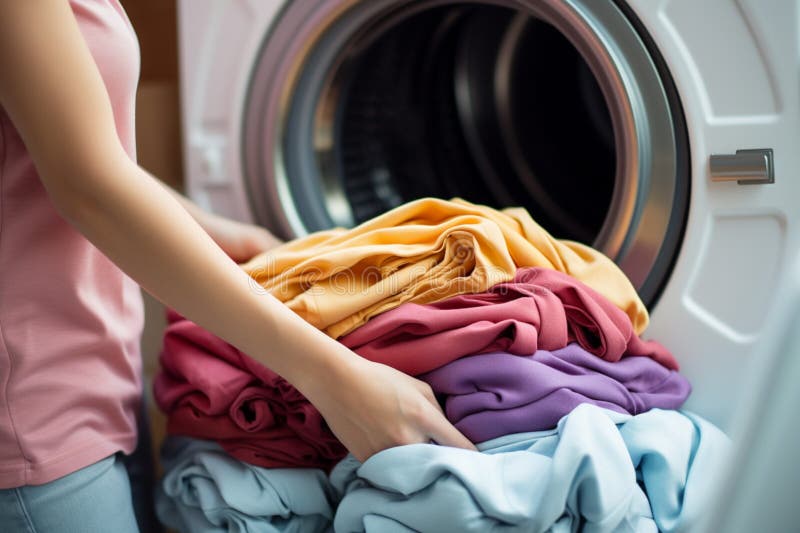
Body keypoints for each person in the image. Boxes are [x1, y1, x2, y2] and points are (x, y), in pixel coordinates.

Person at [0, 1, 475, 531]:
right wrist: (336, 379)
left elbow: (75, 151)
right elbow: (89, 186)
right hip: (32, 414)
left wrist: (222, 232)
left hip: (94, 376)